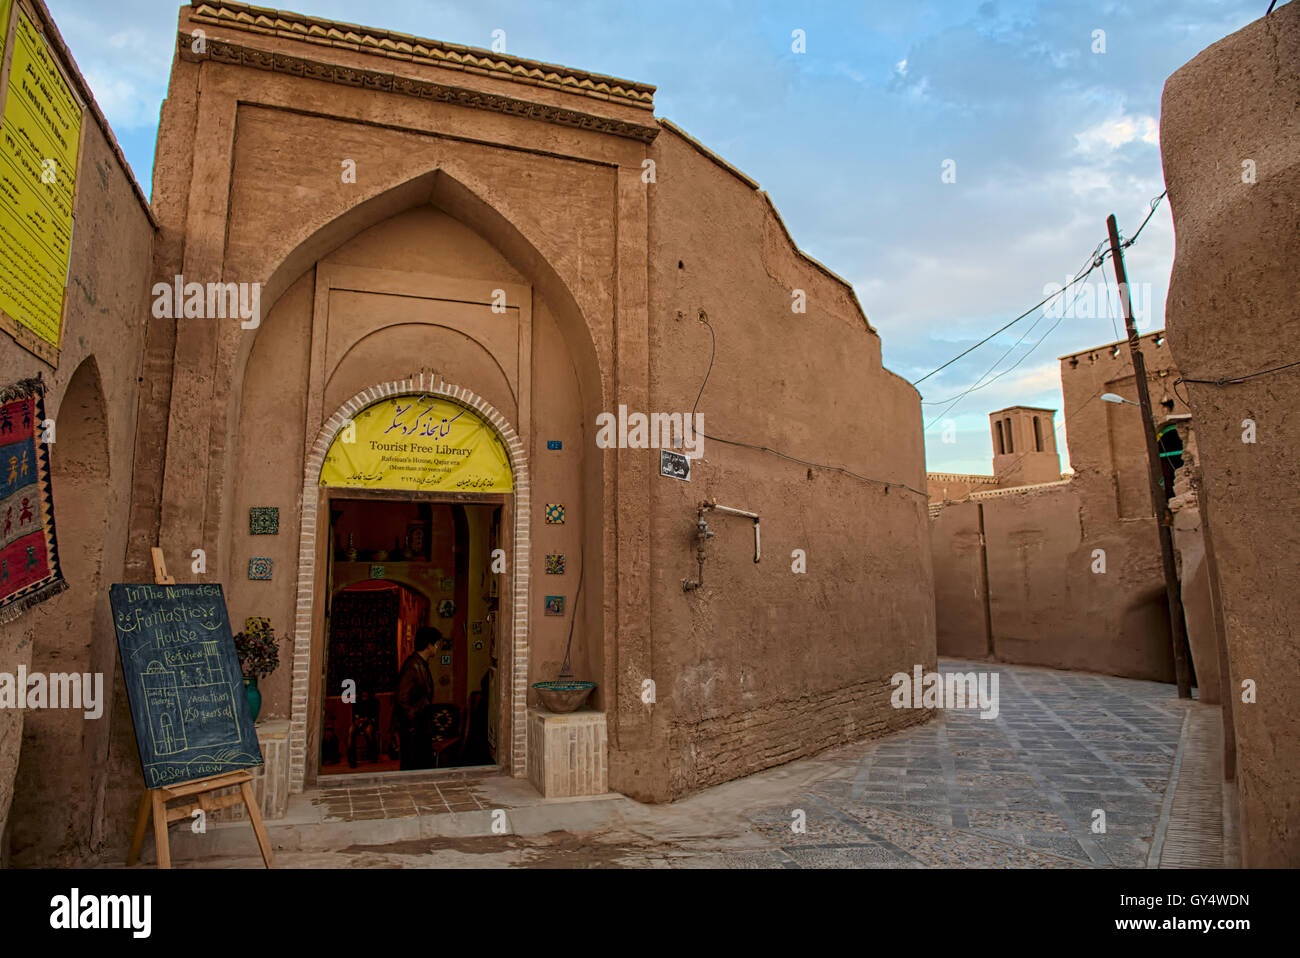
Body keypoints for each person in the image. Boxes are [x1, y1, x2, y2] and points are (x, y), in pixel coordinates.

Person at [395, 626, 440, 770]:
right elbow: (402, 699)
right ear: (429, 645)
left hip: (420, 727)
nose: (437, 647)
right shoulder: (412, 666)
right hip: (413, 729)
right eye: (436, 644)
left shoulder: (421, 664)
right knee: (413, 766)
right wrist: (416, 721)